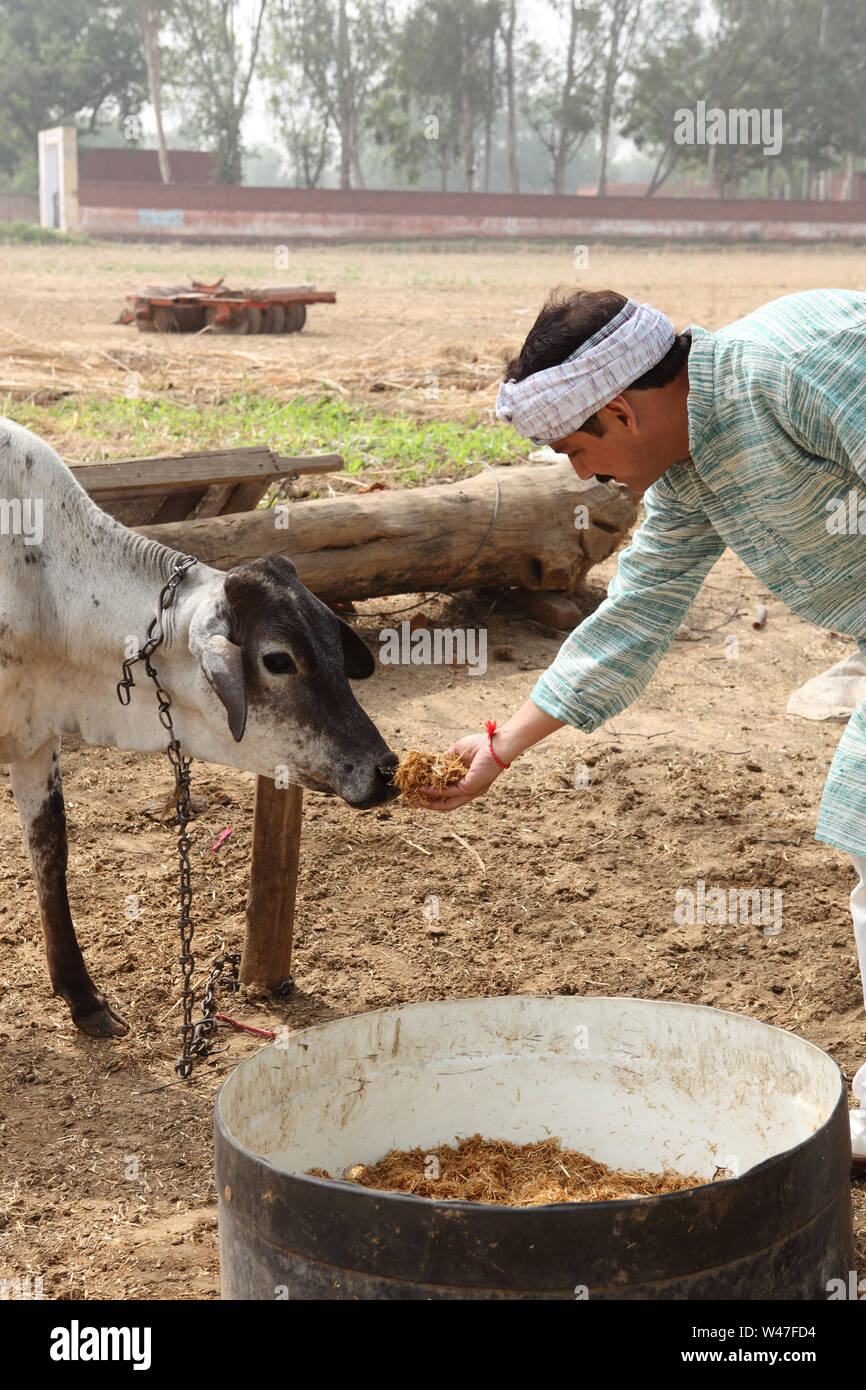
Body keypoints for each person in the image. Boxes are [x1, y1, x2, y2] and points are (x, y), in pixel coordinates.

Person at [420, 285, 866, 1160]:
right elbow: (638, 611)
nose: (583, 477)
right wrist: (501, 747)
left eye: (575, 449)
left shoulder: (795, 366)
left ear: (620, 409)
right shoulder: (693, 467)